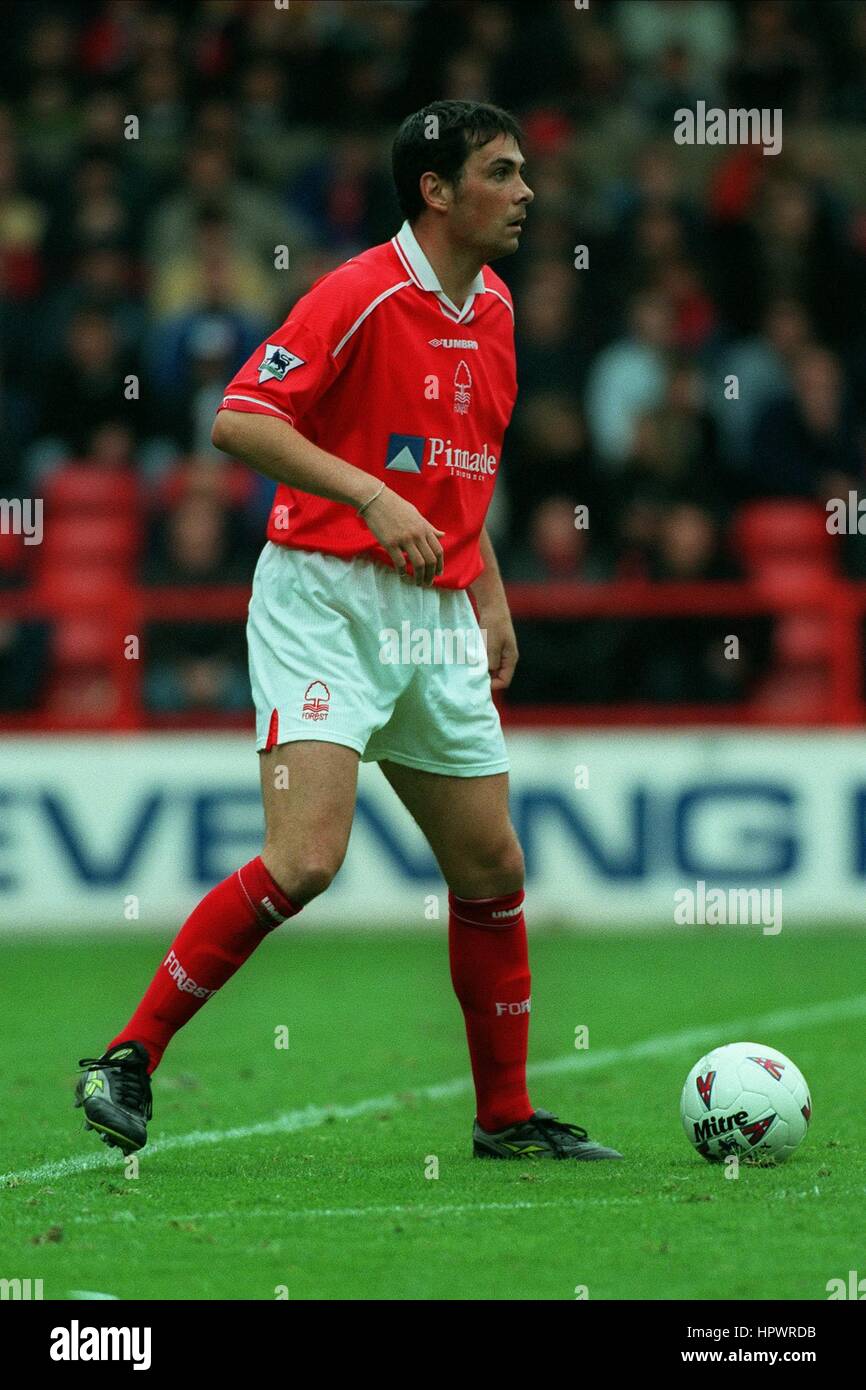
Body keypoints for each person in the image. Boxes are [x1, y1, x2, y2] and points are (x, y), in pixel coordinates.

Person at [75, 100, 622, 1163]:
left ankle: (504, 1119)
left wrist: (488, 594)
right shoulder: (357, 293)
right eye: (501, 174)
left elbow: (461, 466)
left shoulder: (497, 310)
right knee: (307, 857)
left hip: (432, 608)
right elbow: (240, 417)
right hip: (323, 596)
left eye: (521, 174)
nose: (525, 193)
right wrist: (369, 498)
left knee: (490, 867)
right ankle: (127, 1056)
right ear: (435, 188)